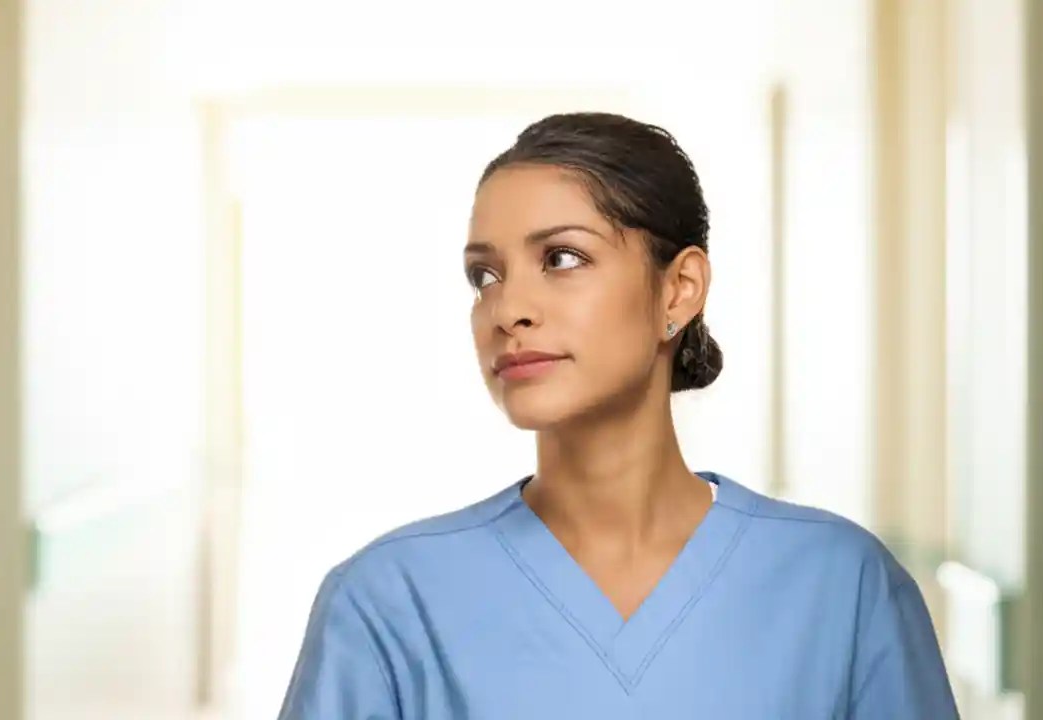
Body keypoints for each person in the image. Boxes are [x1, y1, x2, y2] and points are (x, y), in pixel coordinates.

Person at [276, 112, 958, 719]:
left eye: (561, 258)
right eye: (485, 275)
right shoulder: (387, 602)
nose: (508, 308)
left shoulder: (841, 587)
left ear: (679, 288)